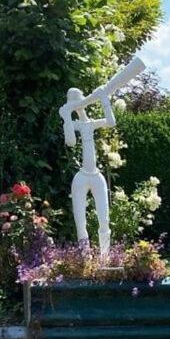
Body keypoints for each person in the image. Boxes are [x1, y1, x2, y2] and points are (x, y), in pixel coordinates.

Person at [60, 88, 116, 255]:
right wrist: (67, 117)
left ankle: (105, 258)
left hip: (97, 177)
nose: (77, 106)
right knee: (80, 221)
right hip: (81, 178)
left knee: (104, 220)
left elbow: (111, 122)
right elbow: (70, 142)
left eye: (77, 101)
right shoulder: (74, 124)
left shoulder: (91, 123)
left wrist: (103, 98)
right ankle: (86, 258)